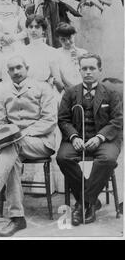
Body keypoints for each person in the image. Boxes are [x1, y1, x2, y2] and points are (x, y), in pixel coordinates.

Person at [0, 55, 58, 237]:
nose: (16, 72)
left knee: (11, 146)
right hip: (15, 144)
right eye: (11, 69)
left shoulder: (43, 88)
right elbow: (0, 122)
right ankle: (17, 217)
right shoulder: (4, 92)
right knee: (11, 157)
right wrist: (10, 133)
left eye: (19, 67)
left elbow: (49, 120)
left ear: (27, 68)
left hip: (41, 141)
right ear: (7, 72)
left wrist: (21, 133)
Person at [56, 53, 123, 226]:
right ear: (79, 70)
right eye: (84, 68)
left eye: (92, 68)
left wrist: (100, 137)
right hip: (78, 138)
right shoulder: (70, 93)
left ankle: (83, 204)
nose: (88, 72)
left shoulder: (112, 93)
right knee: (63, 157)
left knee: (107, 159)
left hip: (106, 140)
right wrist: (74, 136)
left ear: (99, 70)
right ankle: (91, 201)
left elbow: (117, 120)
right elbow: (63, 119)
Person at [21, 14, 64, 92]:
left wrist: (53, 82)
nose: (33, 30)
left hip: (45, 92)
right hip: (26, 92)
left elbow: (58, 81)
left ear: (43, 30)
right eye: (30, 27)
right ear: (27, 29)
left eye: (37, 27)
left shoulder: (51, 52)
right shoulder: (21, 51)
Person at [54, 22, 88, 90]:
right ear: (58, 39)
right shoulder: (56, 54)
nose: (67, 42)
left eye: (69, 38)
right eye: (63, 39)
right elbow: (58, 75)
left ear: (74, 35)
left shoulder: (83, 52)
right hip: (66, 90)